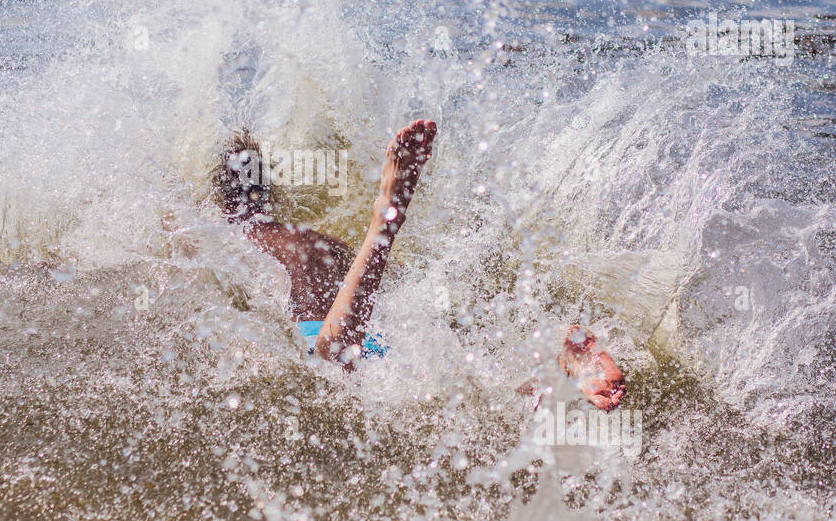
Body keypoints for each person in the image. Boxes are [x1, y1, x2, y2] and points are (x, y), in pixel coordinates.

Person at [215, 119, 625, 410]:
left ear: (226, 203)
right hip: (374, 334)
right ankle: (556, 366)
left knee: (334, 360)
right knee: (454, 390)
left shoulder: (243, 237)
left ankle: (385, 219)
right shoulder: (316, 244)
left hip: (336, 336)